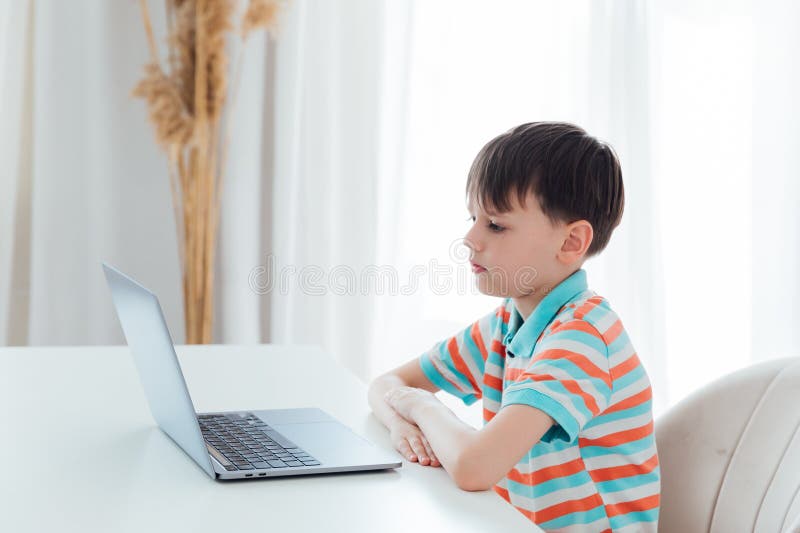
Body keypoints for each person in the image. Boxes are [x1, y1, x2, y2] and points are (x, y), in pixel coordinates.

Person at [367, 122, 660, 532]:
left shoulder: (582, 338)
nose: (469, 238)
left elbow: (474, 467)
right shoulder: (508, 322)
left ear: (572, 242)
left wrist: (420, 405)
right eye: (473, 217)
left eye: (496, 225)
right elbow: (387, 382)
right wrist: (400, 424)